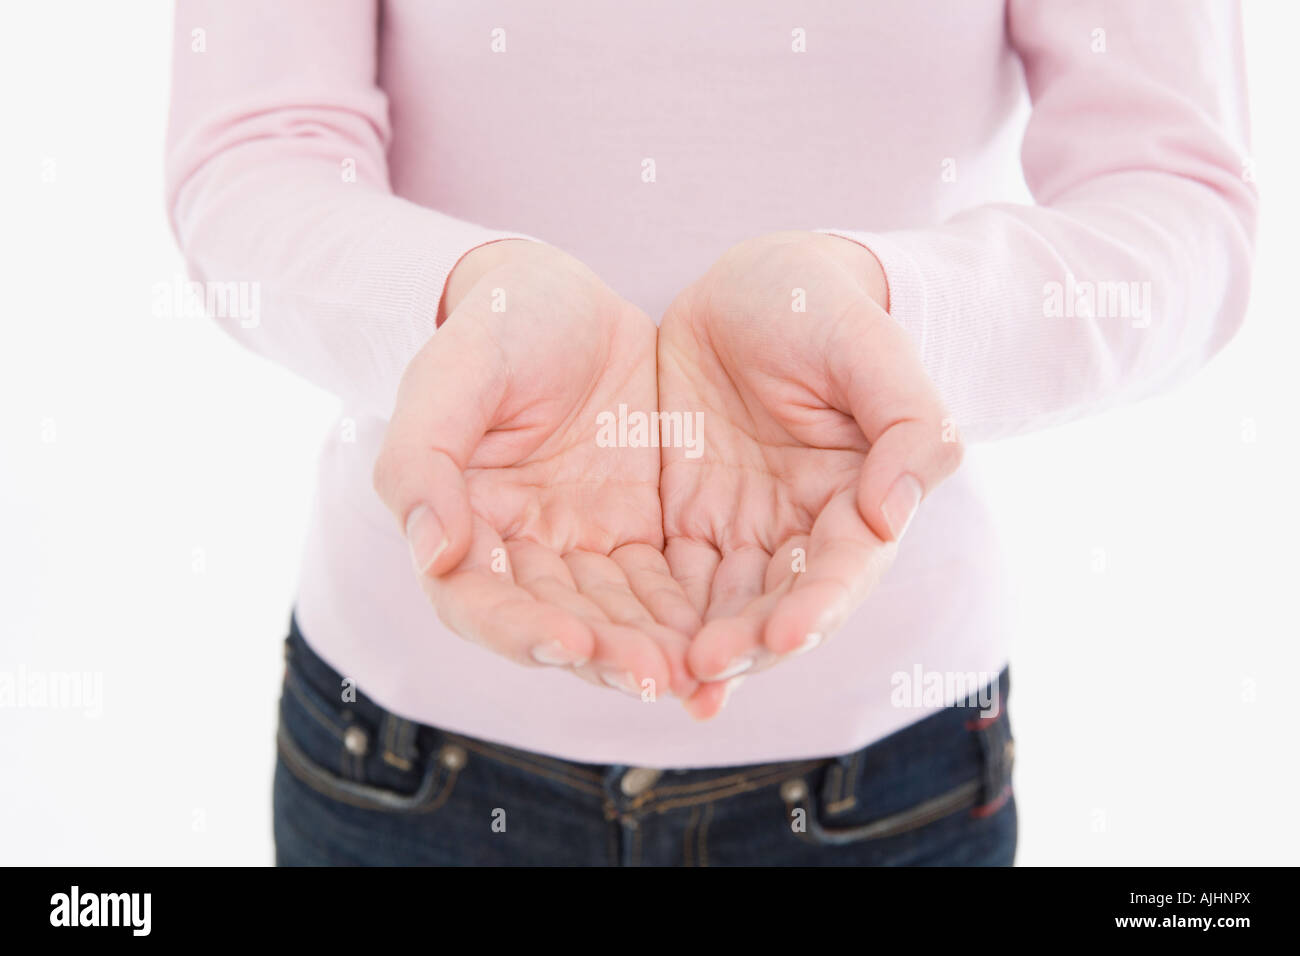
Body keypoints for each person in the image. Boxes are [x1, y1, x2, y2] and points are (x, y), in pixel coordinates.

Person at [165, 0, 1255, 865]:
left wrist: (884, 318)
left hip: (890, 780)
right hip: (399, 761)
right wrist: (462, 301)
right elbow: (255, 153)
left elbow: (1176, 199)